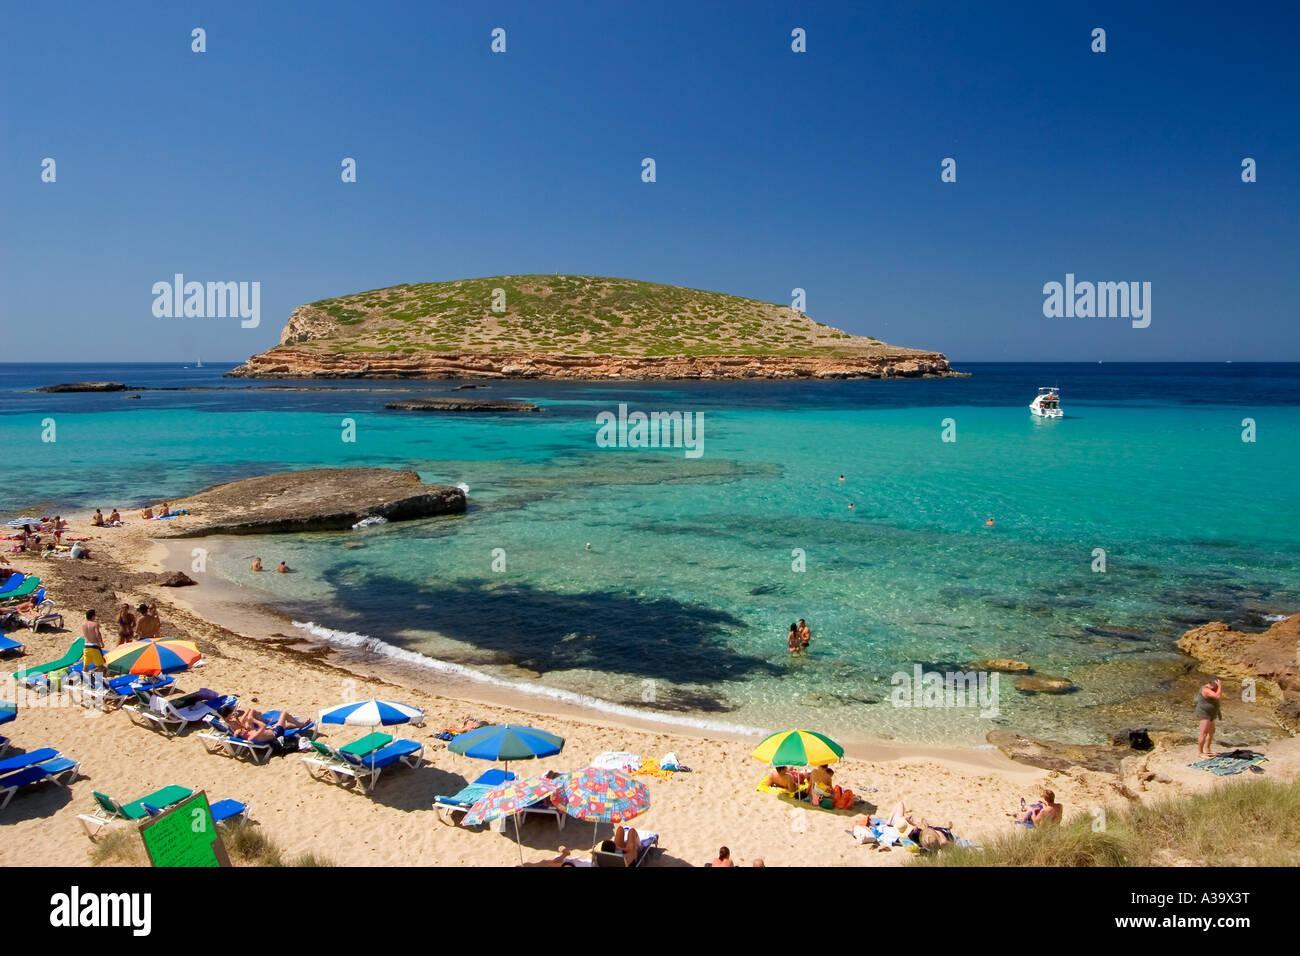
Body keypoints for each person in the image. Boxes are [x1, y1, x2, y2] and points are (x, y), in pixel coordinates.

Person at [1195, 677, 1223, 757]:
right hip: (1204, 714)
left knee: (1211, 732)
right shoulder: (1206, 690)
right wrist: (1220, 686)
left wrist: (1218, 712)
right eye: (1215, 688)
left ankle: (1207, 749)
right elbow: (1218, 696)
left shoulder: (1212, 689)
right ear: (1211, 686)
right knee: (1203, 733)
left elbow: (1216, 702)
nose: (1216, 690)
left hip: (1212, 714)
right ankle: (1200, 752)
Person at [82, 609, 105, 675]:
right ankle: (99, 682)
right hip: (94, 646)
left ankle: (85, 681)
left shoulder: (83, 624)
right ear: (93, 616)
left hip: (86, 646)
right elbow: (98, 634)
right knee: (100, 666)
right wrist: (101, 643)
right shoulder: (95, 624)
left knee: (86, 666)